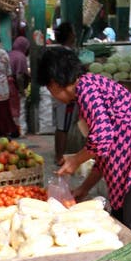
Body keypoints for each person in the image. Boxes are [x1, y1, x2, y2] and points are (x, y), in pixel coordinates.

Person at [37, 47, 131, 248]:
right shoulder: (89, 89)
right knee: (127, 234)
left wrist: (75, 159)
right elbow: (102, 154)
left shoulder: (86, 88)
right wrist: (83, 188)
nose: (52, 95)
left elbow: (101, 138)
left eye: (49, 89)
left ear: (55, 83)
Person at [51, 21, 78, 163]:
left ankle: (59, 155)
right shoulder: (67, 54)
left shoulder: (56, 52)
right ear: (69, 35)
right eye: (73, 32)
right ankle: (59, 157)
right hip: (66, 95)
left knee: (60, 126)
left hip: (59, 94)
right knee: (63, 127)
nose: (75, 34)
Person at [7, 36, 30, 135]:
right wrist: (21, 90)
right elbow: (19, 75)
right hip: (14, 87)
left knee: (9, 109)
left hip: (5, 85)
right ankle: (19, 130)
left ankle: (10, 129)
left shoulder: (9, 54)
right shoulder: (21, 56)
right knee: (18, 110)